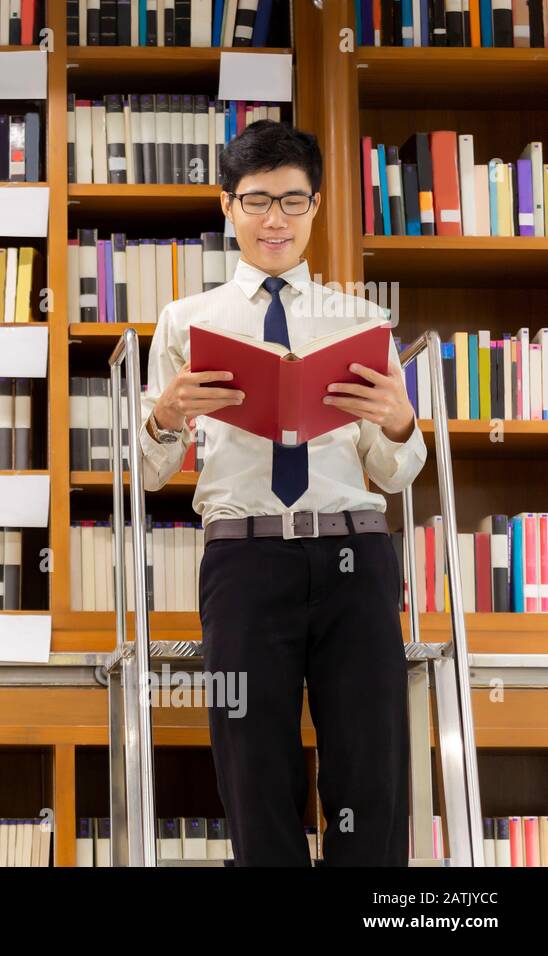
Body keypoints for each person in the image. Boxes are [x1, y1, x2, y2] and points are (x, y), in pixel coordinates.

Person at [138, 120, 427, 866]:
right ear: (226, 206)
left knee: (371, 771)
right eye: (258, 200)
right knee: (253, 768)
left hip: (355, 557)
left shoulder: (361, 320)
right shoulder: (185, 322)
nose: (276, 220)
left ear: (317, 205)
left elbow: (395, 476)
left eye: (293, 202)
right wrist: (166, 416)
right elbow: (147, 474)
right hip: (244, 563)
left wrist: (399, 424)